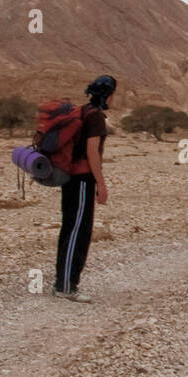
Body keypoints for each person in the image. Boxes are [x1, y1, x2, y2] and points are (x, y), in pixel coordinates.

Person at [53, 74, 115, 302]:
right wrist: (101, 183)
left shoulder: (82, 111)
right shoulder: (96, 116)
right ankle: (66, 286)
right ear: (108, 94)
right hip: (81, 180)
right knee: (78, 230)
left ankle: (63, 282)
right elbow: (92, 152)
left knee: (70, 228)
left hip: (69, 178)